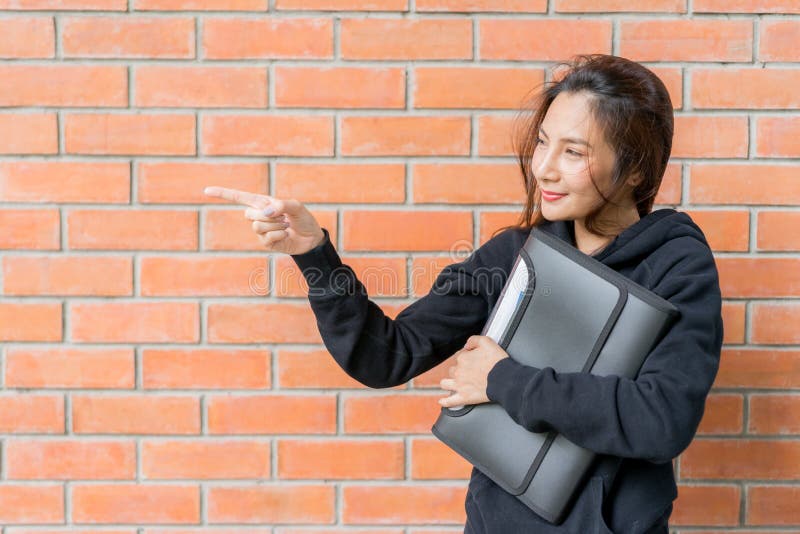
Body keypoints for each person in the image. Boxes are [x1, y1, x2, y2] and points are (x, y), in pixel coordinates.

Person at [203, 54, 724, 534]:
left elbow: (661, 421)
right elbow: (387, 355)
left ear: (634, 168)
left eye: (574, 152)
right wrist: (315, 254)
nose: (544, 167)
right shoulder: (513, 256)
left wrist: (501, 379)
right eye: (543, 141)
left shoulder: (677, 264)